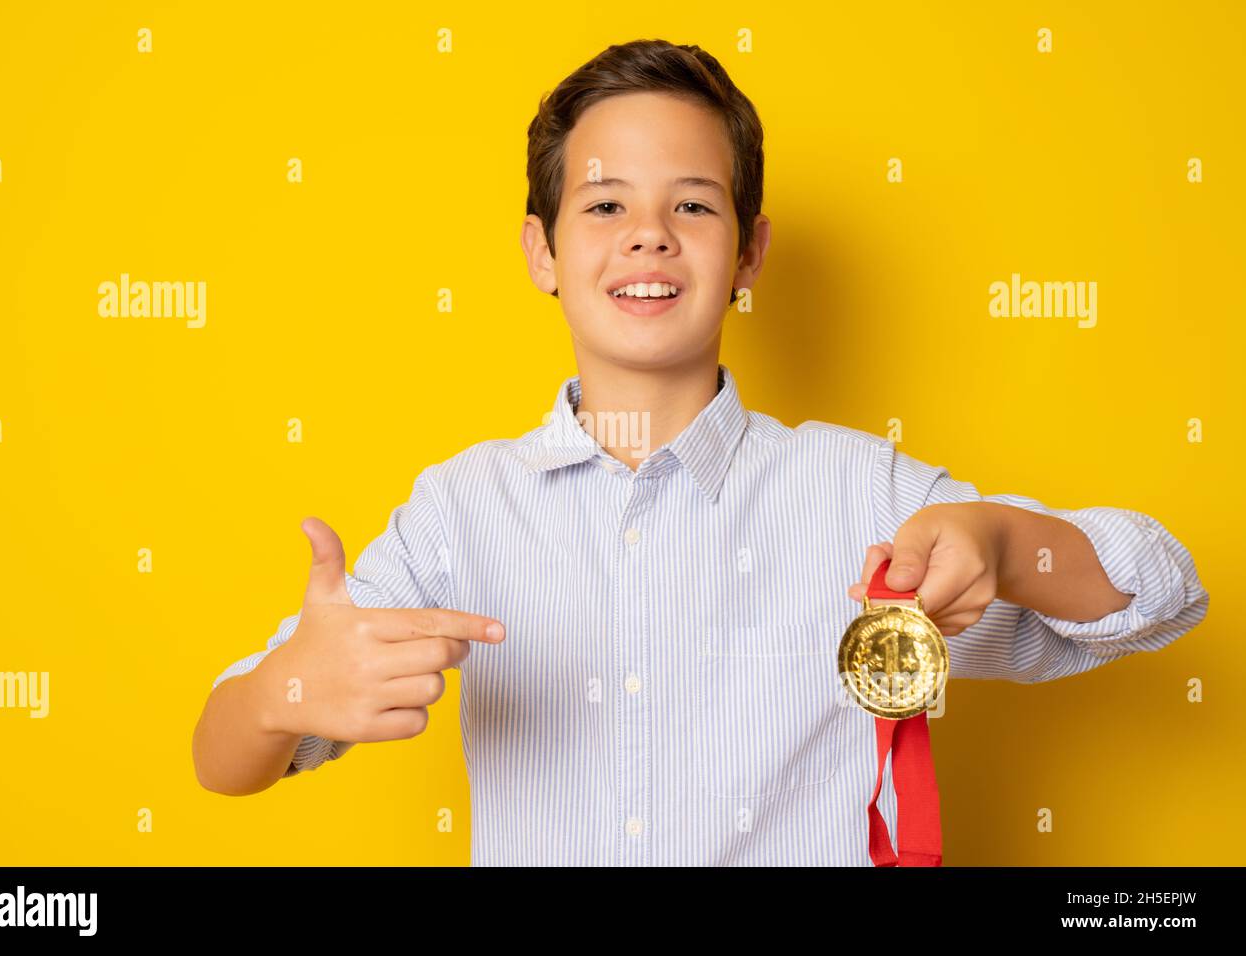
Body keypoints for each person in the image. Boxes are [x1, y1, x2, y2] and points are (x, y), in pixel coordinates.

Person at [191, 39, 1209, 866]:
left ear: (749, 251)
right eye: (602, 204)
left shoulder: (866, 494)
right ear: (541, 251)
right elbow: (222, 756)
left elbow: (1163, 595)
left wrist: (1002, 536)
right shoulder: (463, 510)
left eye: (691, 202)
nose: (647, 235)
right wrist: (287, 684)